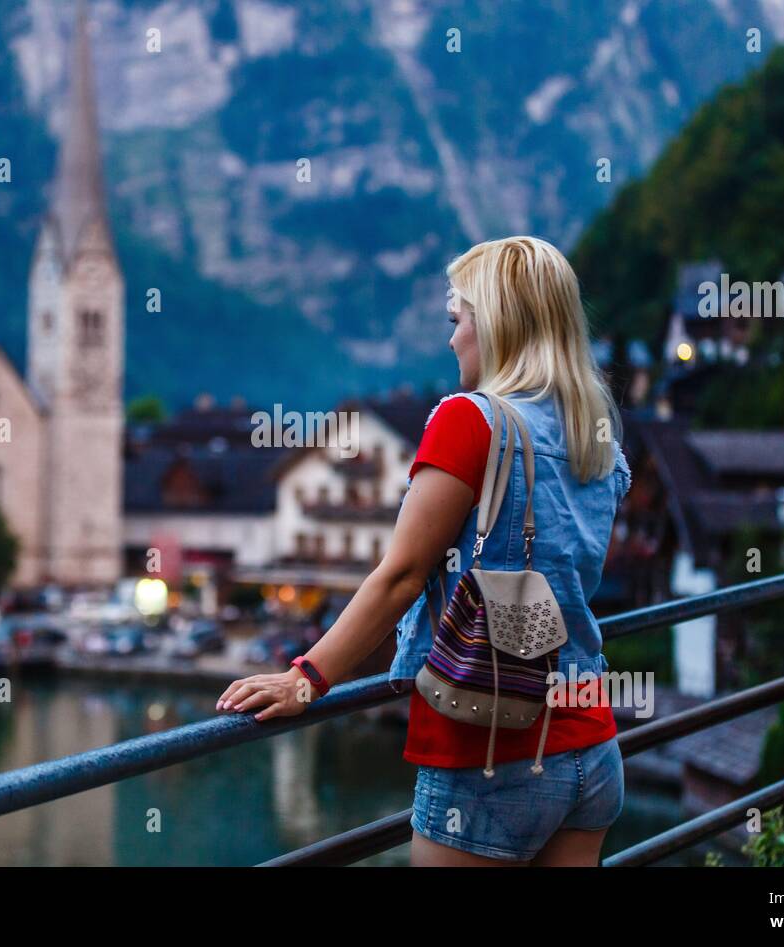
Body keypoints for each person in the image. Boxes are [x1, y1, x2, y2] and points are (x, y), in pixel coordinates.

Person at [217, 236, 632, 866]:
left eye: (456, 319)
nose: (450, 339)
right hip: (591, 746)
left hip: (488, 750)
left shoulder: (470, 420)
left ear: (496, 324)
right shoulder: (592, 435)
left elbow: (403, 574)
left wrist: (306, 678)